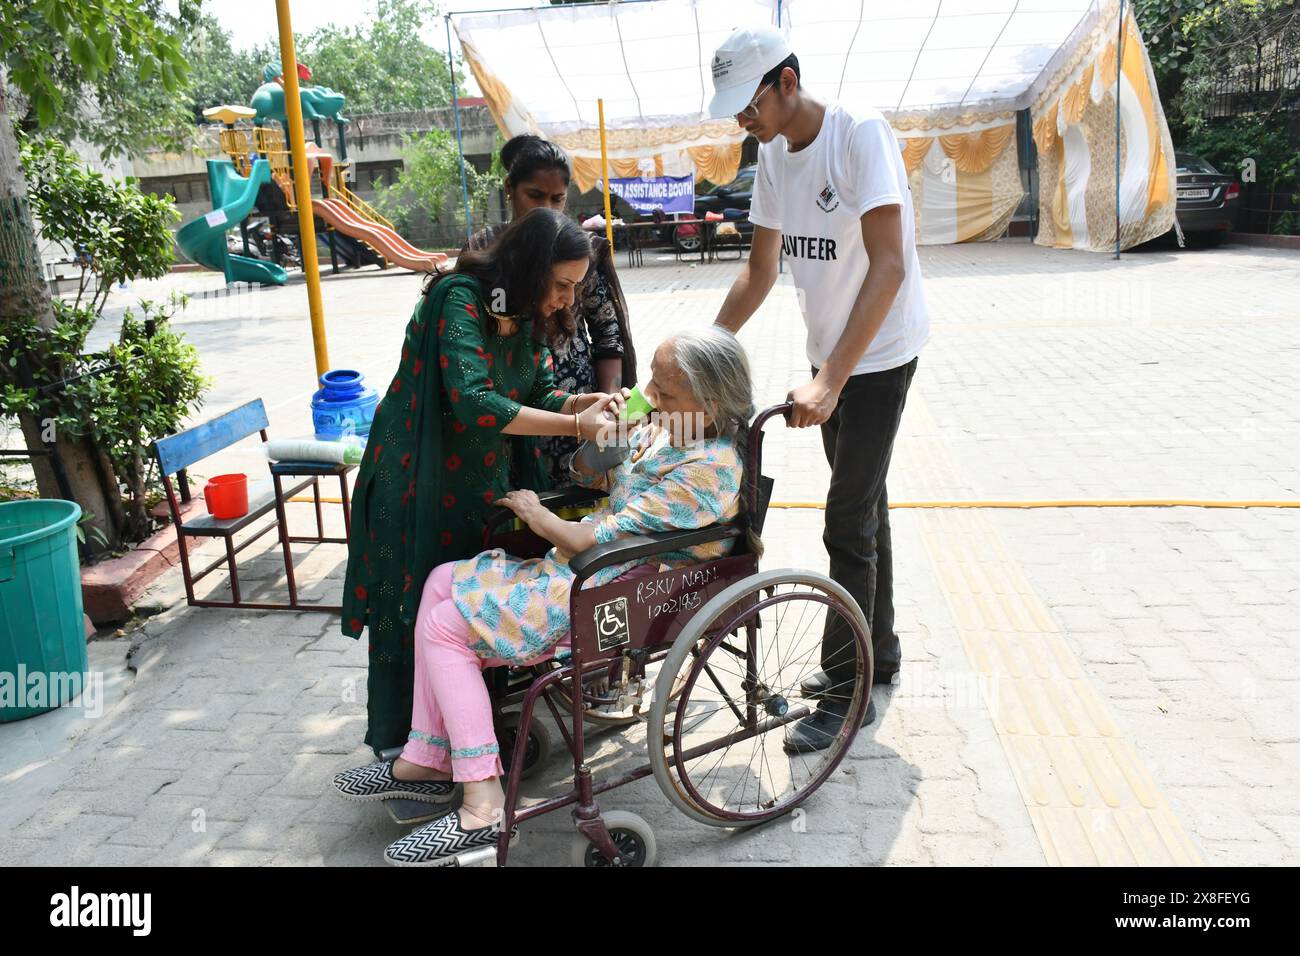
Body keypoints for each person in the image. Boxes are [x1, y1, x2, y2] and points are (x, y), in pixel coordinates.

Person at [333, 327, 757, 866]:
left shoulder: (709, 468)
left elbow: (583, 536)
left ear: (711, 402)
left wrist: (536, 513)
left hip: (621, 585)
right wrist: (608, 438)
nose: (649, 393)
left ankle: (483, 800)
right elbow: (587, 475)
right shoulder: (670, 431)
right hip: (590, 567)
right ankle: (430, 754)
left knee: (445, 626)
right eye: (651, 379)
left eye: (666, 392)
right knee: (440, 581)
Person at [707, 25, 931, 752]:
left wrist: (831, 380)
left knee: (845, 521)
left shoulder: (858, 136)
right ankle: (880, 653)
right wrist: (704, 355)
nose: (744, 119)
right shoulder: (773, 156)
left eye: (751, 102)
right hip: (829, 357)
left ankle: (847, 691)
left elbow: (890, 265)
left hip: (881, 351)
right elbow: (760, 269)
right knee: (865, 507)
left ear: (789, 82)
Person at [341, 207, 623, 758]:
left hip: (479, 481)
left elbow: (536, 393)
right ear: (529, 267)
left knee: (468, 603)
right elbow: (473, 401)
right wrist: (573, 424)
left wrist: (582, 402)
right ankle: (402, 747)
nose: (568, 300)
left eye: (575, 287)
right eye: (562, 285)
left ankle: (467, 739)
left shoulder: (524, 311)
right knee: (409, 604)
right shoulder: (460, 297)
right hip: (417, 477)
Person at [464, 134, 637, 485]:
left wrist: (605, 409)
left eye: (557, 199)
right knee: (518, 506)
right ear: (509, 189)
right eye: (535, 195)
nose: (546, 208)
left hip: (572, 399)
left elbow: (607, 334)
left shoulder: (581, 251)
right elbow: (485, 338)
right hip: (505, 406)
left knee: (578, 501)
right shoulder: (487, 254)